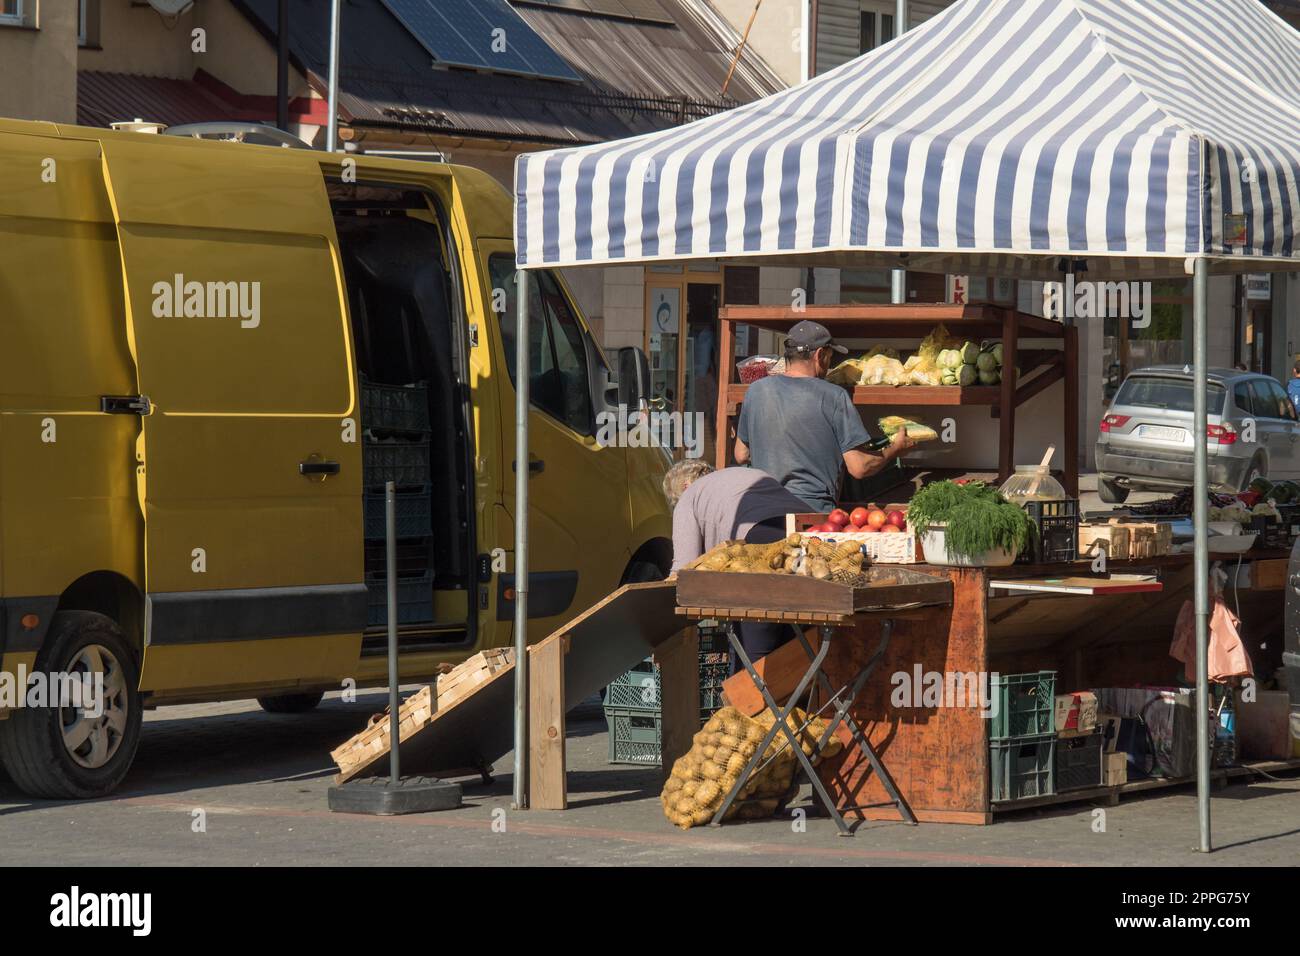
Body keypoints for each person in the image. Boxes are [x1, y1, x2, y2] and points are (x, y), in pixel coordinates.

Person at [734, 320, 915, 511]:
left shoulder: (756, 390)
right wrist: (894, 449)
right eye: (830, 356)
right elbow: (859, 467)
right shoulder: (834, 396)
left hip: (762, 509)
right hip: (810, 512)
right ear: (820, 355)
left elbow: (741, 454)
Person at [662, 460, 808, 669]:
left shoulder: (689, 495)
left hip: (757, 543)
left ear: (684, 487)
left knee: (756, 659)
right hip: (807, 532)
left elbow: (682, 570)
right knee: (800, 641)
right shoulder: (739, 475)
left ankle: (752, 698)